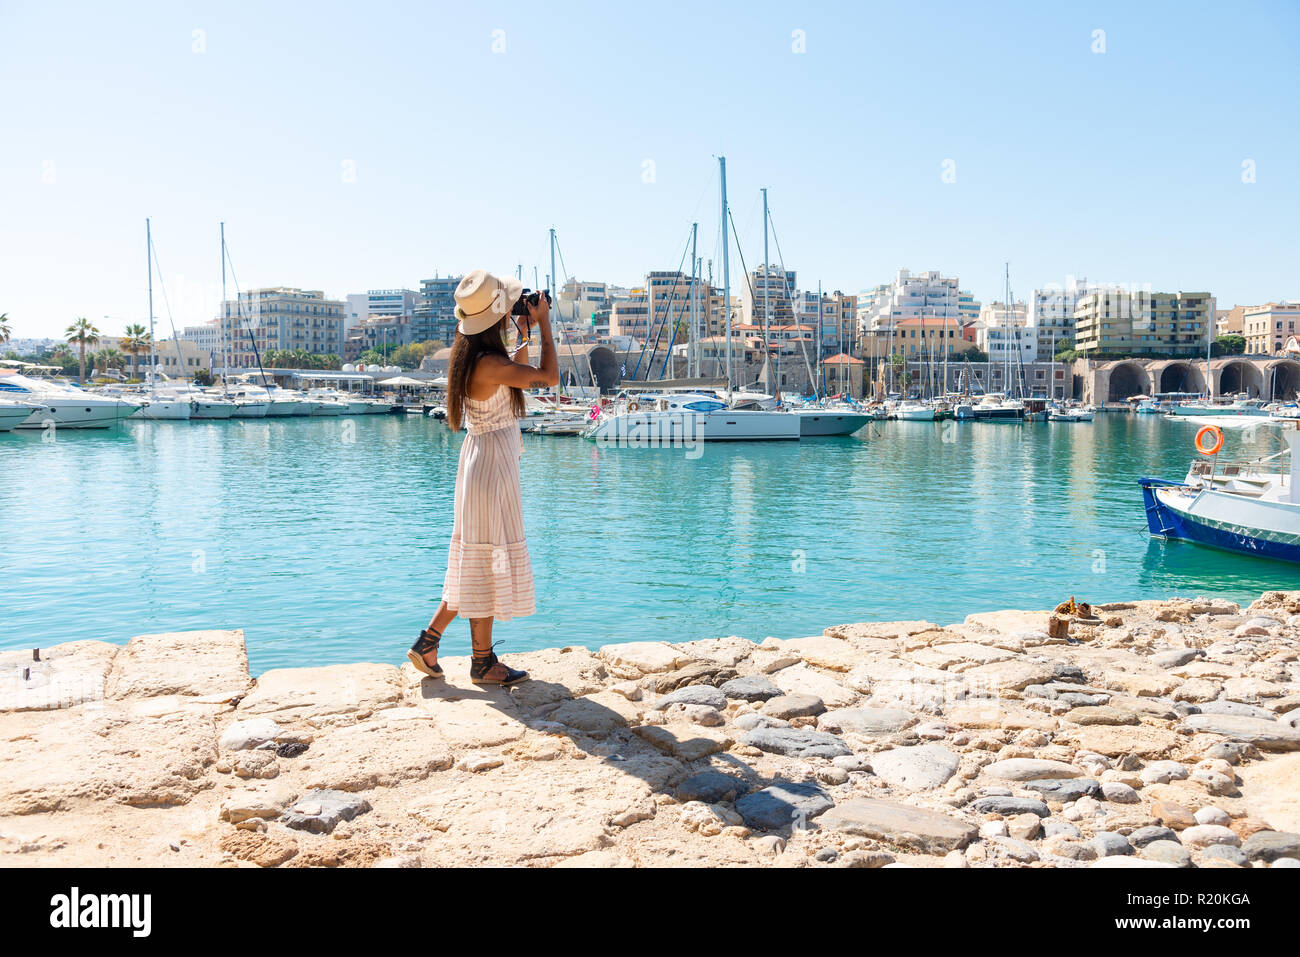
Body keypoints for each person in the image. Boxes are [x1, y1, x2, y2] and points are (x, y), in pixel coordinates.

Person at [407, 269, 558, 685]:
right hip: (492, 467)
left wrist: (524, 330)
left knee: (476, 560)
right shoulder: (489, 363)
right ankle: (480, 662)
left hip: (484, 463)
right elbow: (549, 378)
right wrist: (544, 322)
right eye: (509, 307)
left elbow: (519, 384)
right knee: (486, 561)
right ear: (495, 316)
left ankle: (432, 643)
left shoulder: (476, 358)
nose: (515, 308)